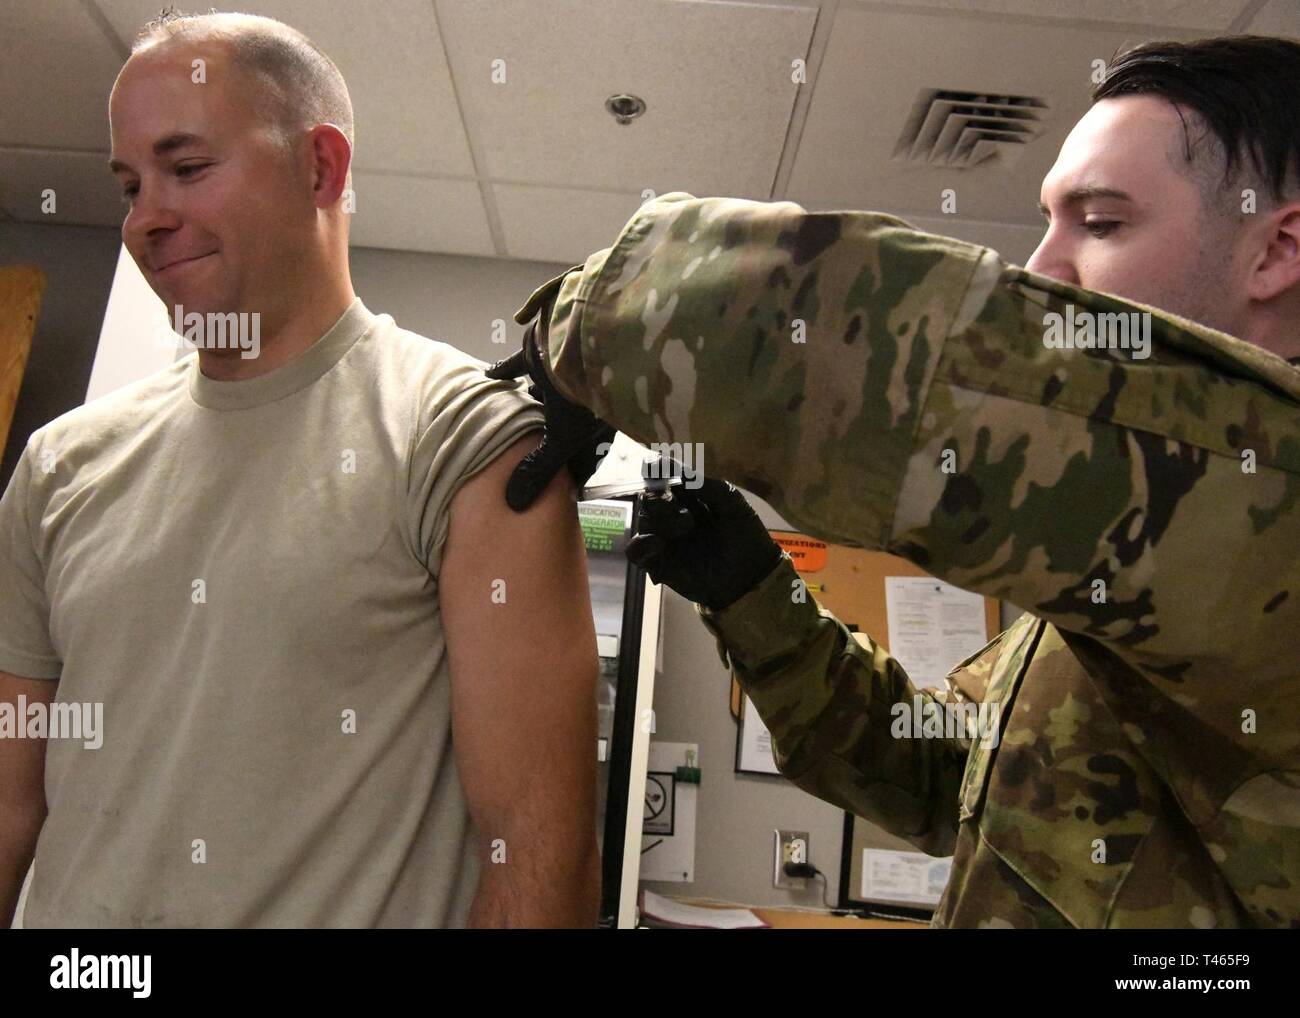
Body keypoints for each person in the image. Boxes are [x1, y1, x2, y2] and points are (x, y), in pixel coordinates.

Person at [489, 35, 1300, 928]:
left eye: (1101, 223)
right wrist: (751, 593)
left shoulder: (1266, 512)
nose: (1042, 272)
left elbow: (884, 346)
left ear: (1277, 248)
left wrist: (587, 331)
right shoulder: (1132, 590)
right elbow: (938, 767)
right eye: (1049, 221)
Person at [0, 10, 600, 928]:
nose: (144, 221)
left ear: (320, 167)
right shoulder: (60, 465)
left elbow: (536, 852)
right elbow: (11, 804)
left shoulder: (465, 439)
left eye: (187, 168)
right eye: (129, 185)